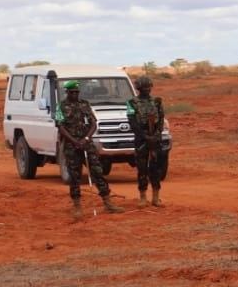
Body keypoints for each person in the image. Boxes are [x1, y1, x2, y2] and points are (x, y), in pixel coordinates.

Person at [55, 79, 123, 218]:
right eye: (72, 92)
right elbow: (60, 127)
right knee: (75, 176)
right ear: (67, 92)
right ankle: (77, 206)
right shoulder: (61, 106)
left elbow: (93, 123)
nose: (75, 94)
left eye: (77, 92)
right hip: (71, 145)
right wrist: (74, 141)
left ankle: (107, 202)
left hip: (87, 144)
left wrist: (86, 139)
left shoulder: (85, 104)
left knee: (97, 172)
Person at [126, 75, 167, 207]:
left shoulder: (157, 101)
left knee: (155, 169)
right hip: (141, 139)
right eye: (144, 87)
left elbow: (161, 119)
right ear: (139, 88)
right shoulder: (132, 103)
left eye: (149, 87)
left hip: (155, 137)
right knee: (142, 169)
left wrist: (156, 134)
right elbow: (132, 122)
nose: (147, 89)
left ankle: (156, 197)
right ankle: (143, 197)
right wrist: (144, 136)